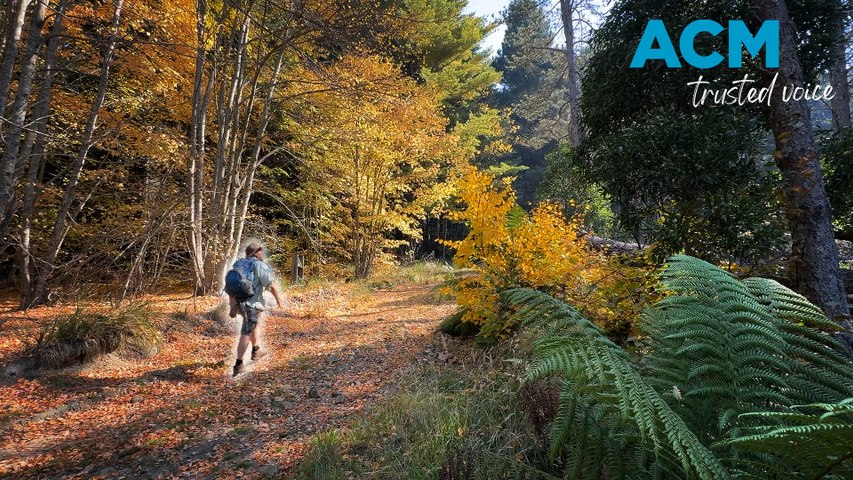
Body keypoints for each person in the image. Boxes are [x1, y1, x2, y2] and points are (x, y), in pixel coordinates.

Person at [230, 242, 284, 377]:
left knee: (253, 325)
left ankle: (256, 350)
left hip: (240, 303)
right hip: (251, 305)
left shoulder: (239, 265)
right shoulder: (259, 265)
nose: (262, 254)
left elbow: (231, 288)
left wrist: (232, 306)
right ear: (255, 253)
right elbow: (270, 285)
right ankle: (238, 364)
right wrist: (279, 301)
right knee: (246, 332)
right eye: (261, 251)